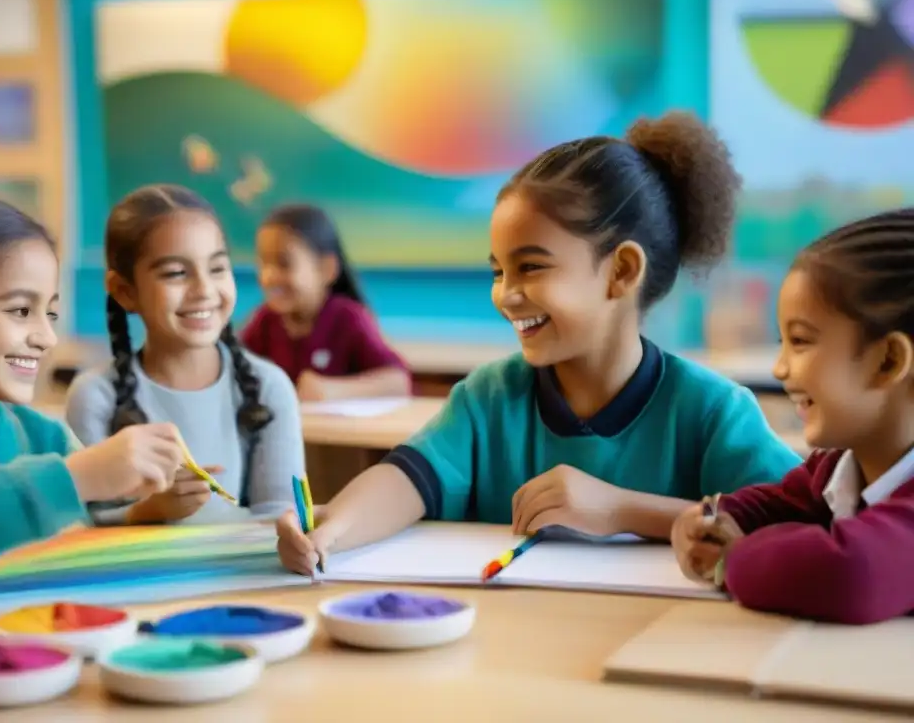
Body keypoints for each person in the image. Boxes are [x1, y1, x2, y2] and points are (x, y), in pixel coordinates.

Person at [277, 111, 801, 575]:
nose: (506, 295)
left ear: (621, 272)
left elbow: (802, 519)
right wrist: (334, 528)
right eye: (499, 271)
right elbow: (408, 478)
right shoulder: (490, 397)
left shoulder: (711, 412)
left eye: (530, 267)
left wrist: (620, 510)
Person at [0, 190, 182, 609]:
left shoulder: (46, 440)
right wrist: (72, 479)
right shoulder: (60, 465)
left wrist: (147, 505)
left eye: (51, 313)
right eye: (21, 311)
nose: (47, 338)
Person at [672, 209, 914, 625]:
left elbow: (850, 573)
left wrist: (732, 560)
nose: (780, 369)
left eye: (800, 342)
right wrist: (710, 522)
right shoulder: (838, 465)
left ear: (888, 361)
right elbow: (773, 504)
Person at [65, 184, 304, 525]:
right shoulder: (95, 396)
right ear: (124, 291)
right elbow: (77, 526)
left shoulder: (269, 386)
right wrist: (146, 513)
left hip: (240, 576)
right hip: (137, 577)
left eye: (218, 268)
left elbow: (279, 513)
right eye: (176, 273)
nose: (204, 290)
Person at [242, 204, 411, 401]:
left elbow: (398, 382)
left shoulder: (347, 318)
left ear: (326, 269)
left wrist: (332, 390)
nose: (269, 277)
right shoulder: (265, 321)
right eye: (264, 263)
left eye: (284, 263)